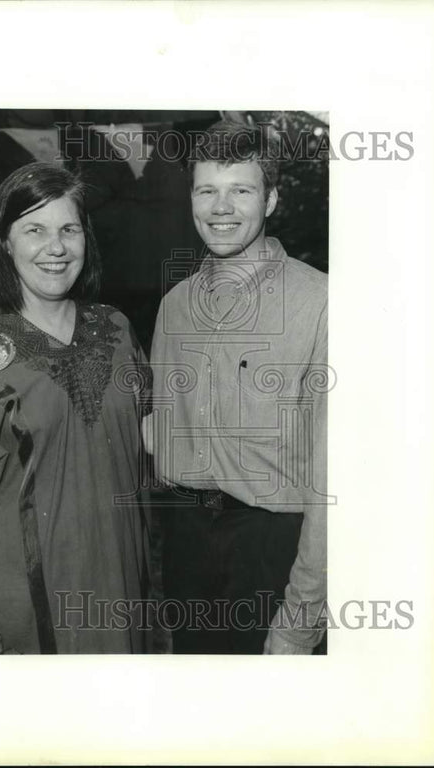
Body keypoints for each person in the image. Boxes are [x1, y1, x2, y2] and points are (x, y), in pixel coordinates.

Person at [0, 162, 152, 654]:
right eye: (34, 230)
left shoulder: (116, 329)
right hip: (23, 599)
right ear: (3, 240)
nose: (56, 247)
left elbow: (152, 442)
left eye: (69, 228)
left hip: (120, 583)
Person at [146, 121, 328, 654]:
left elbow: (333, 485)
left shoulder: (320, 304)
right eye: (207, 191)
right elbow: (162, 430)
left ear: (270, 199)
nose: (221, 208)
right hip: (186, 548)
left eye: (241, 190)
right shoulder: (173, 305)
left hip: (273, 548)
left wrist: (301, 619)